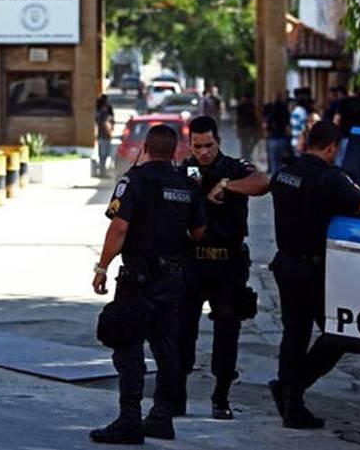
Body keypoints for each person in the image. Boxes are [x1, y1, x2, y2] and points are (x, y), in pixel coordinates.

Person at [268, 121, 360, 429]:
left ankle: (291, 400)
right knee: (340, 332)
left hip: (285, 264)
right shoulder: (330, 178)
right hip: (313, 271)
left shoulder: (285, 173)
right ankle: (293, 391)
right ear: (330, 147)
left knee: (295, 333)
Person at [90, 125, 206, 444]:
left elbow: (119, 229)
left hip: (137, 280)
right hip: (171, 281)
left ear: (145, 148)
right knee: (167, 350)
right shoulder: (187, 185)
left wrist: (102, 267)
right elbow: (199, 233)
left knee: (128, 347)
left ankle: (129, 419)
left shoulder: (134, 182)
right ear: (175, 152)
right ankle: (161, 417)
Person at [175, 116, 270, 420]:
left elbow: (263, 183)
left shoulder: (233, 167)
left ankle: (221, 397)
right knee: (182, 331)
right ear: (190, 144)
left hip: (228, 263)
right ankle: (177, 397)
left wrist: (227, 186)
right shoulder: (186, 169)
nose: (203, 152)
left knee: (227, 330)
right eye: (198, 146)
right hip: (193, 262)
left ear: (218, 141)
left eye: (209, 145)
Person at [263, 91, 291, 173]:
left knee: (274, 163)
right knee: (282, 163)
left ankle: (275, 181)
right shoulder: (285, 109)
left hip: (272, 138)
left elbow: (265, 125)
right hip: (282, 138)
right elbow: (288, 127)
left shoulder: (269, 109)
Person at [235, 93, 259, 161]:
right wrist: (238, 129)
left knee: (254, 141)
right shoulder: (241, 106)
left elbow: (256, 116)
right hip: (244, 127)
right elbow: (237, 118)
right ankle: (244, 155)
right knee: (244, 142)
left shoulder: (252, 106)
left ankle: (247, 154)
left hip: (251, 127)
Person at [96, 94, 115, 177]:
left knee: (102, 156)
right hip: (105, 137)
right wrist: (110, 134)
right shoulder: (105, 112)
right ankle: (103, 172)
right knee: (104, 155)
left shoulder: (99, 112)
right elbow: (105, 124)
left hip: (101, 136)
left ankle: (102, 172)